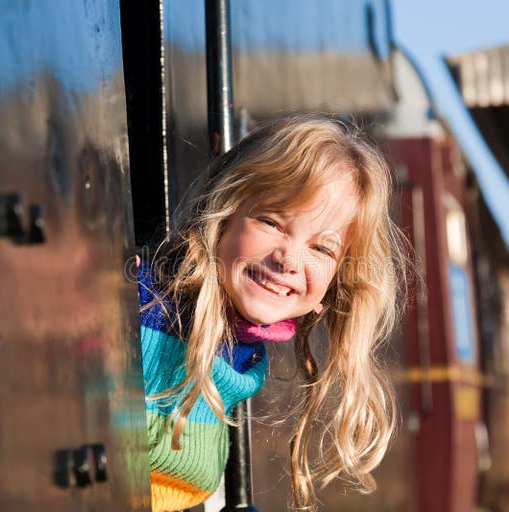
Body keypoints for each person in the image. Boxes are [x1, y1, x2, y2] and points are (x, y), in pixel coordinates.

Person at [138, 114, 410, 511]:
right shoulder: (147, 313)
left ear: (336, 281)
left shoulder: (241, 353)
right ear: (223, 215)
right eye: (271, 221)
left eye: (322, 249)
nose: (289, 259)